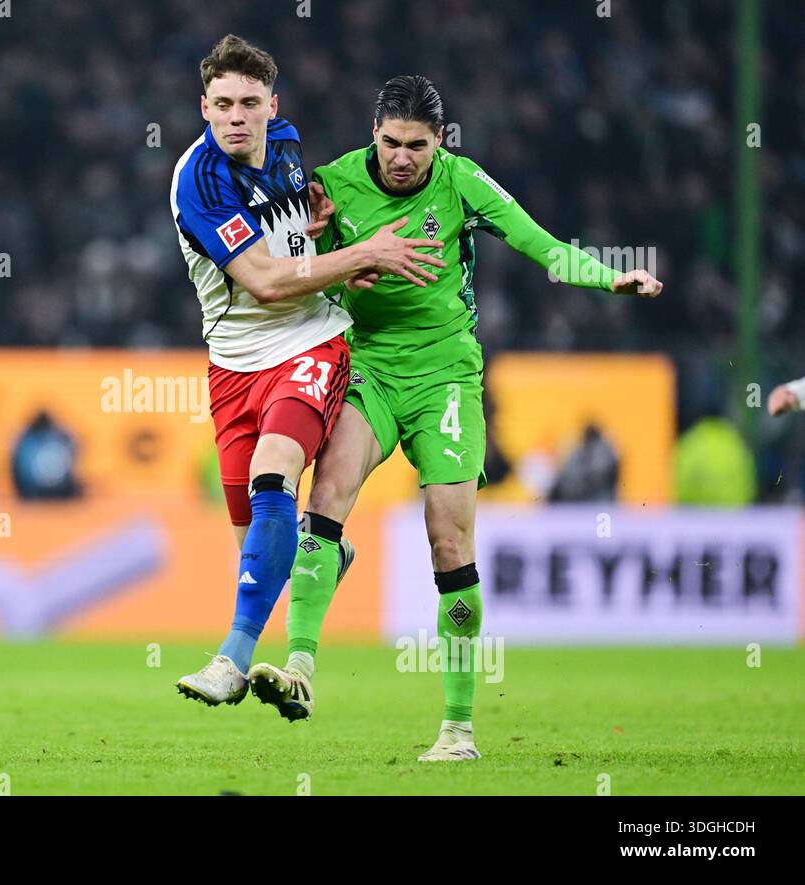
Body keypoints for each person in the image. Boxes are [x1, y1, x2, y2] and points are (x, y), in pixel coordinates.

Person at [248, 76, 662, 761]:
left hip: (445, 375)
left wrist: (609, 278)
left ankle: (459, 727)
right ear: (372, 132)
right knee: (323, 500)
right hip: (369, 366)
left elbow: (543, 246)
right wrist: (325, 261)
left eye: (417, 145)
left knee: (448, 540)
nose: (402, 158)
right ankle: (300, 670)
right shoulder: (332, 183)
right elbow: (282, 270)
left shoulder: (464, 182)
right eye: (390, 143)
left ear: (439, 142)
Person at [169, 36, 446, 706]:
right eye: (224, 104)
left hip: (312, 344)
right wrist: (358, 255)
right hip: (234, 367)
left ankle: (229, 662)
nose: (237, 117)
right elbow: (263, 280)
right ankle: (324, 550)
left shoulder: (288, 146)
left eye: (251, 103)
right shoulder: (199, 180)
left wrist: (321, 235)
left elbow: (293, 249)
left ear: (273, 105)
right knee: (256, 544)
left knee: (273, 476)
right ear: (204, 107)